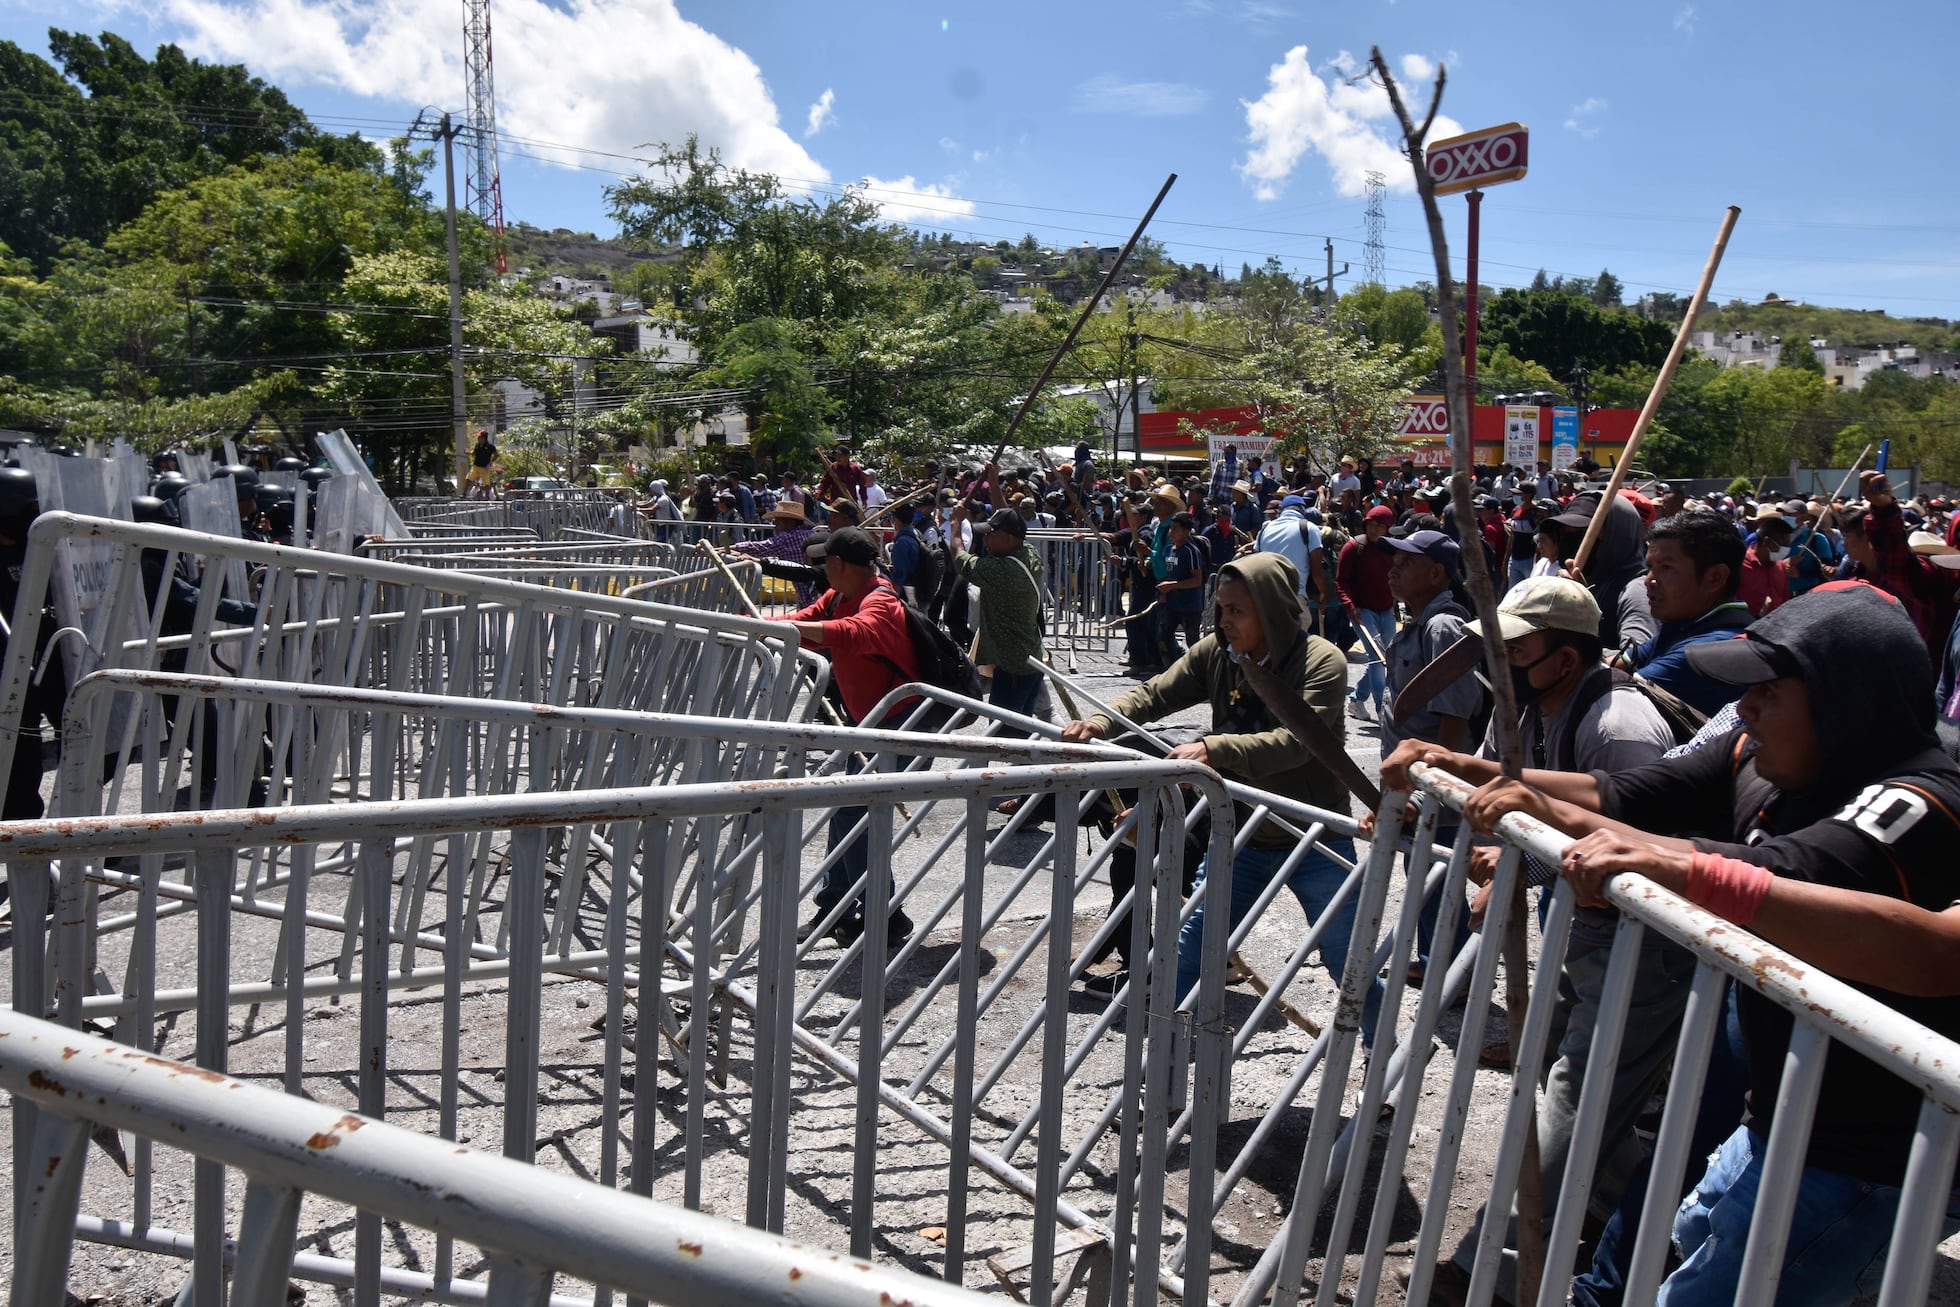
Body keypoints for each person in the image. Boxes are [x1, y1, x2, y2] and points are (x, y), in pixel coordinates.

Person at [1447, 583, 1960, 1307]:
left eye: (1768, 693)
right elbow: (1630, 794)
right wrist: (1498, 780)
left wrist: (1674, 867)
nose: (1745, 710)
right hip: (1776, 1114)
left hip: (1866, 1154)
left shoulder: (1923, 797)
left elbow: (1796, 871)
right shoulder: (1762, 752)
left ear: (1846, 705)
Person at [1382, 579, 1684, 1292]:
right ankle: (1647, 1224)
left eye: (1515, 646)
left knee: (1573, 1100)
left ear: (1567, 659)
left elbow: (1629, 841)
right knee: (1567, 1079)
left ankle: (1488, 1268)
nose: (1500, 658)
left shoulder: (1621, 726)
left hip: (1646, 945)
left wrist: (1528, 861)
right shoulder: (1522, 711)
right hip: (1582, 930)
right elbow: (1510, 805)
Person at [1059, 553, 1384, 1041]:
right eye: (1222, 610)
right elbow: (1155, 693)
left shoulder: (1322, 660)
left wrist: (1214, 748)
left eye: (1238, 611)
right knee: (1190, 957)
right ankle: (1162, 1074)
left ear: (1272, 609)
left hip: (1312, 835)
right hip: (1240, 835)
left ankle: (1386, 1066)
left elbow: (1300, 742)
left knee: (1348, 961)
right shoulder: (1217, 653)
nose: (1225, 621)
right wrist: (1101, 721)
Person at [778, 526, 928, 949]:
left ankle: (885, 914)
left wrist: (787, 629)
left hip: (901, 724)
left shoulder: (881, 601)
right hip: (869, 724)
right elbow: (806, 622)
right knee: (848, 814)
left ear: (839, 564)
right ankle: (838, 907)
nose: (821, 569)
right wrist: (758, 625)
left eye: (825, 561)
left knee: (860, 817)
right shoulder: (838, 597)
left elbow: (853, 633)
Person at [1612, 508, 1751, 718]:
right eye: (1649, 566)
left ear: (1715, 577)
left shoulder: (1707, 650)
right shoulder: (1685, 624)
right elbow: (1615, 665)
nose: (1649, 580)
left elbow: (1603, 694)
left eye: (1666, 567)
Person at [948, 502, 1047, 721]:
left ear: (1010, 539)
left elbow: (961, 559)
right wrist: (994, 480)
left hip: (1014, 667)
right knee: (1024, 727)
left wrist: (955, 525)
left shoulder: (1005, 570)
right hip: (1029, 657)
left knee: (1003, 734)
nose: (986, 539)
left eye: (991, 534)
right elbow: (1011, 520)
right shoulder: (1028, 553)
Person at [1337, 505, 1396, 721]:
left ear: (1387, 528)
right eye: (1371, 524)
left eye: (1380, 526)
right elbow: (1341, 581)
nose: (1374, 529)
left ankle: (1356, 699)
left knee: (1382, 658)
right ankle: (1382, 708)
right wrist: (1350, 606)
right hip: (1363, 612)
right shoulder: (1354, 547)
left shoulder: (1391, 548)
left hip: (1387, 610)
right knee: (1378, 659)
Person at [1254, 494, 1336, 630]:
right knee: (1295, 645)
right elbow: (1316, 568)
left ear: (1282, 510)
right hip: (1293, 596)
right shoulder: (1309, 528)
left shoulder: (1265, 529)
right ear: (1302, 510)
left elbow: (1256, 563)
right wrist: (1323, 594)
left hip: (1265, 596)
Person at [727, 500, 818, 605]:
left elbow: (761, 547)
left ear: (789, 523)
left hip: (810, 596)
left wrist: (732, 548)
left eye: (777, 523)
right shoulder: (811, 533)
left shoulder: (788, 538)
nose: (775, 527)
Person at [1157, 511, 1206, 661]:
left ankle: (1198, 670)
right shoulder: (1168, 550)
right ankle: (1171, 667)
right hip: (1172, 604)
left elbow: (1197, 580)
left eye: (1176, 529)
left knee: (1192, 641)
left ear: (1185, 532)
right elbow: (1169, 575)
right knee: (1163, 637)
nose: (1171, 532)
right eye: (1171, 528)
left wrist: (1172, 586)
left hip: (1189, 605)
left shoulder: (1191, 552)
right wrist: (1164, 594)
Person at [1738, 507, 1792, 616]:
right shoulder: (1739, 566)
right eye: (1783, 545)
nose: (1786, 549)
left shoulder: (1781, 567)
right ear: (1767, 542)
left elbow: (1784, 599)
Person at [466, 428, 497, 497]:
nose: (478, 439)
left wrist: (490, 462)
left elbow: (496, 454)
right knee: (468, 478)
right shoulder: (477, 445)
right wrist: (468, 452)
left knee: (486, 483)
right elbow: (474, 453)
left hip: (484, 467)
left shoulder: (490, 446)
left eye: (479, 437)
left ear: (484, 438)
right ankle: (464, 493)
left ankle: (487, 496)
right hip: (476, 466)